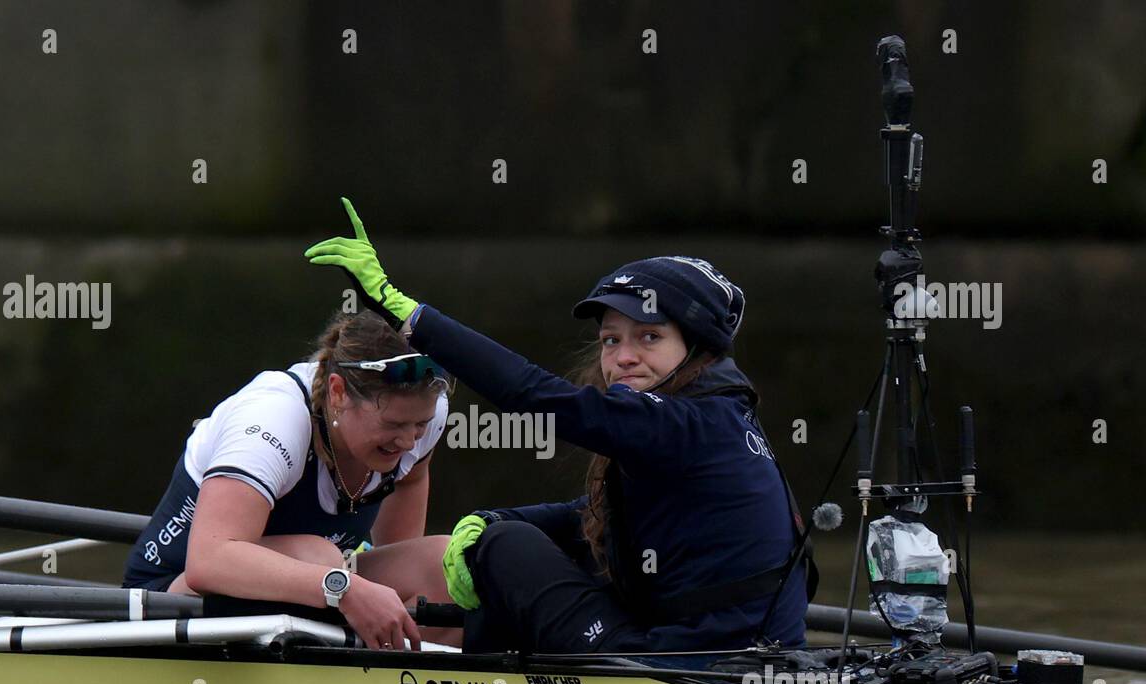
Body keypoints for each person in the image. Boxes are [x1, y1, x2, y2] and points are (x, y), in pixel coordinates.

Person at [305, 200, 813, 654]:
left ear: (696, 351)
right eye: (612, 340)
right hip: (737, 655)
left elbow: (532, 394)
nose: (624, 357)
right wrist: (494, 515)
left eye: (649, 337)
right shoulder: (717, 419)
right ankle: (443, 639)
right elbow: (593, 515)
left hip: (690, 663)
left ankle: (442, 664)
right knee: (507, 533)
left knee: (503, 549)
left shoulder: (686, 422)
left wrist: (404, 311)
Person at [122, 309, 457, 650]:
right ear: (338, 392)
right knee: (320, 558)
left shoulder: (425, 413)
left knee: (452, 567)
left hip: (316, 579)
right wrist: (343, 587)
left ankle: (395, 682)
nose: (409, 441)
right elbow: (208, 561)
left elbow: (410, 484)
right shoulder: (273, 419)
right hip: (171, 596)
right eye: (393, 425)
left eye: (419, 425)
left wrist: (384, 599)